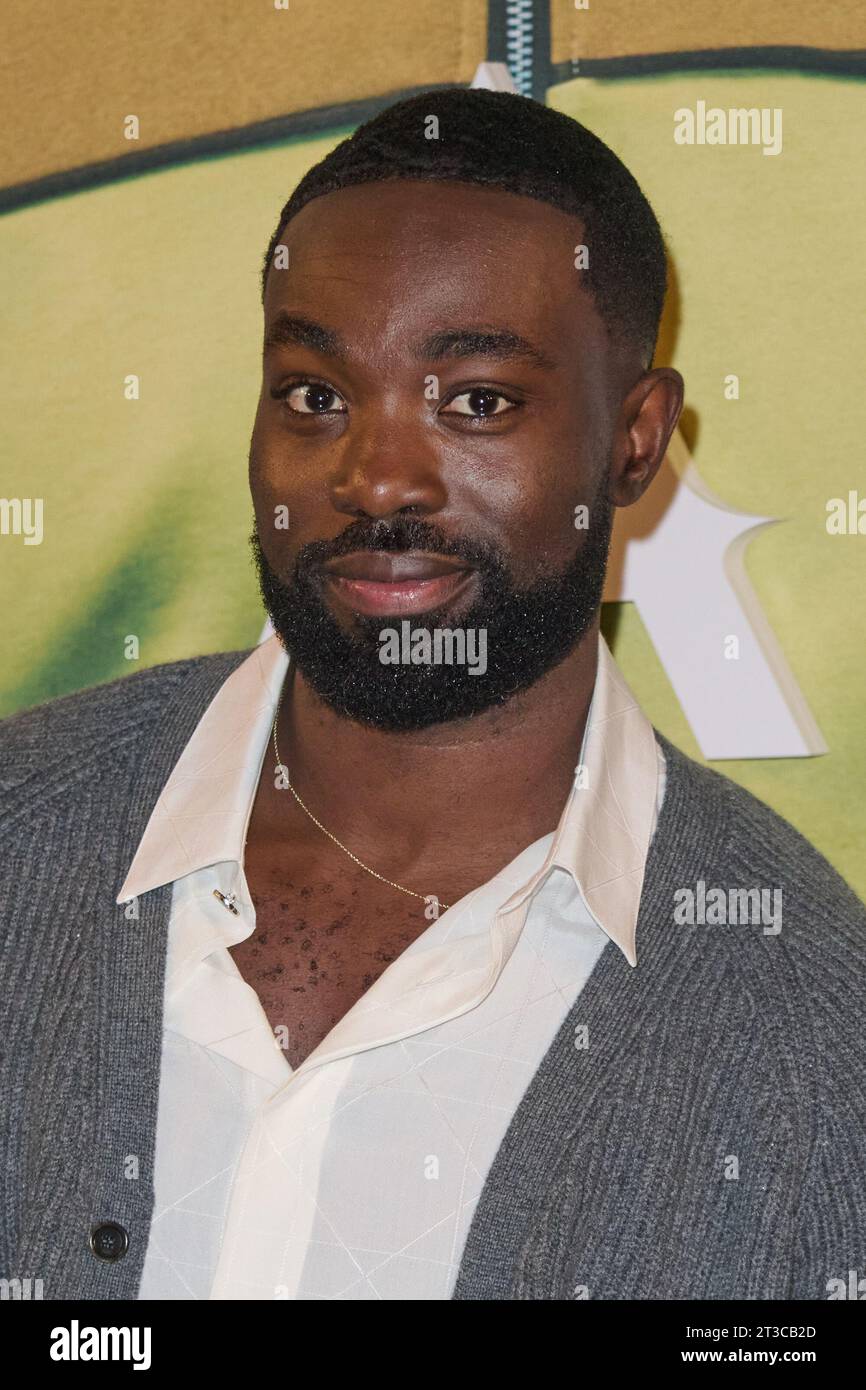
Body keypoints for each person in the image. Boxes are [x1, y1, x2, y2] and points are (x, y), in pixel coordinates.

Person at [1, 87, 864, 1302]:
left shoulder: (812, 1037)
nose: (378, 476)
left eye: (476, 402)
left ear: (632, 440)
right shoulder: (20, 828)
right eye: (314, 394)